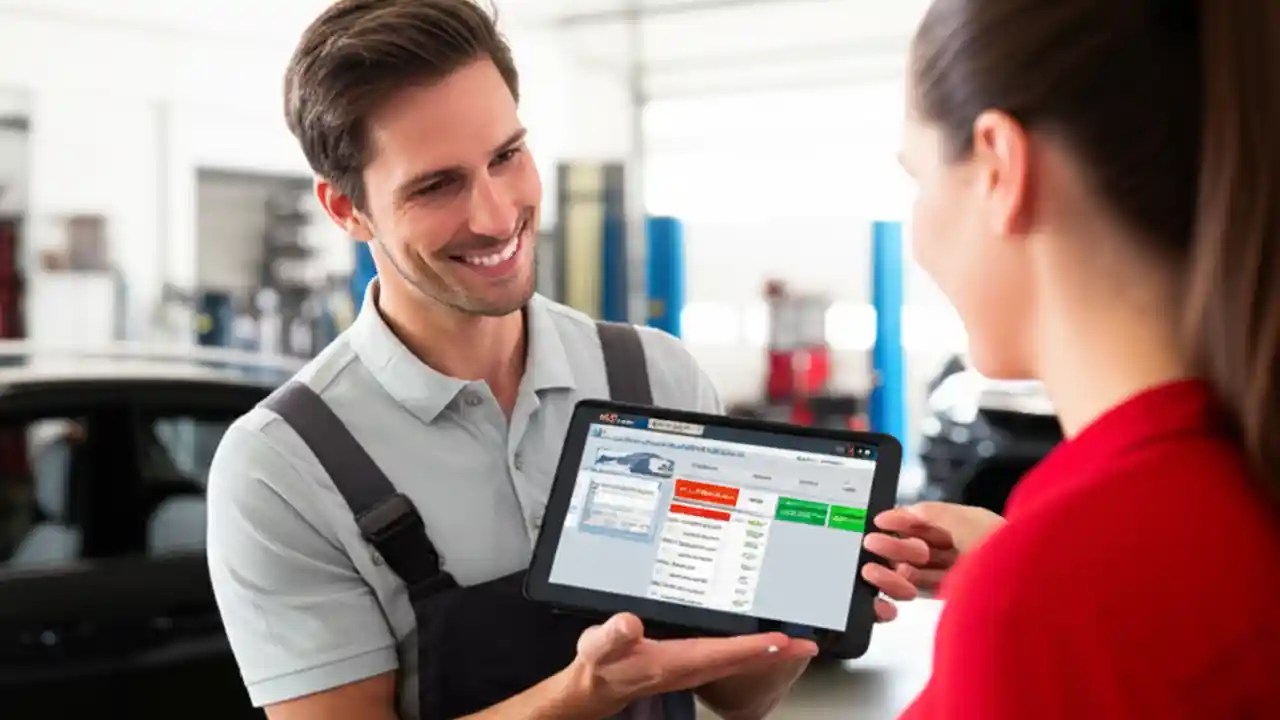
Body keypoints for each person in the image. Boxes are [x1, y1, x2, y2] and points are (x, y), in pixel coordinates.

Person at [205, 1, 910, 718]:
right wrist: (584, 695)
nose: (495, 214)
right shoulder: (283, 466)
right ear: (346, 210)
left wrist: (799, 619)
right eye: (436, 185)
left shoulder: (655, 377)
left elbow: (735, 697)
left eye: (506, 156)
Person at [859, 0, 1280, 717]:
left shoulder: (1053, 593)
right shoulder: (1225, 490)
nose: (919, 234)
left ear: (999, 167)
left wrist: (1031, 582)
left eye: (920, 178)